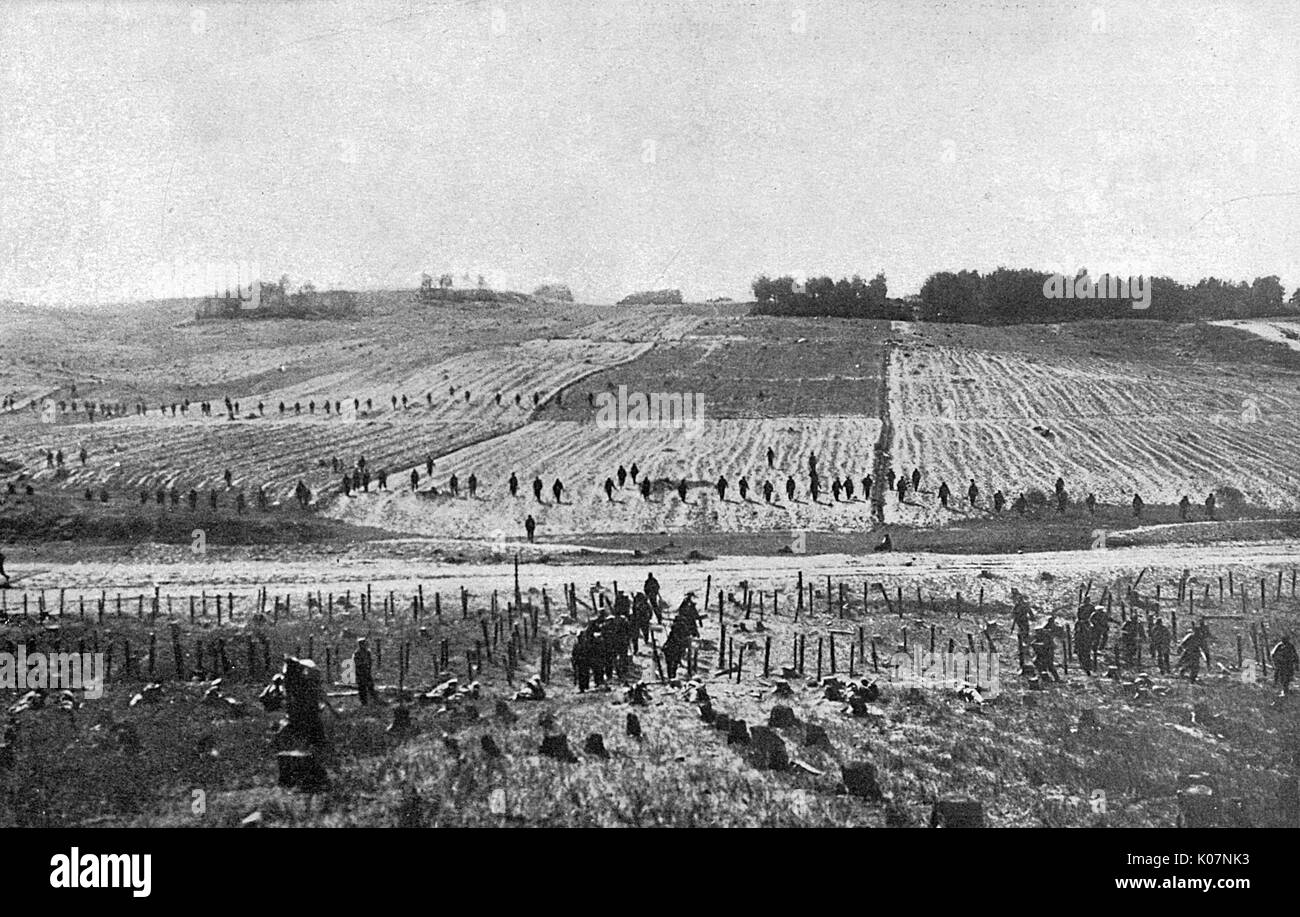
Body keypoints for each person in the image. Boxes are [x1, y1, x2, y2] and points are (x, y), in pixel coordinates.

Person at [353, 638, 377, 706]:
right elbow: (357, 664)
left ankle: (374, 700)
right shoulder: (357, 653)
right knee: (362, 688)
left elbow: (370, 662)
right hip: (360, 673)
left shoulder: (368, 652)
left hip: (367, 672)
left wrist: (368, 669)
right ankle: (364, 703)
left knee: (370, 686)